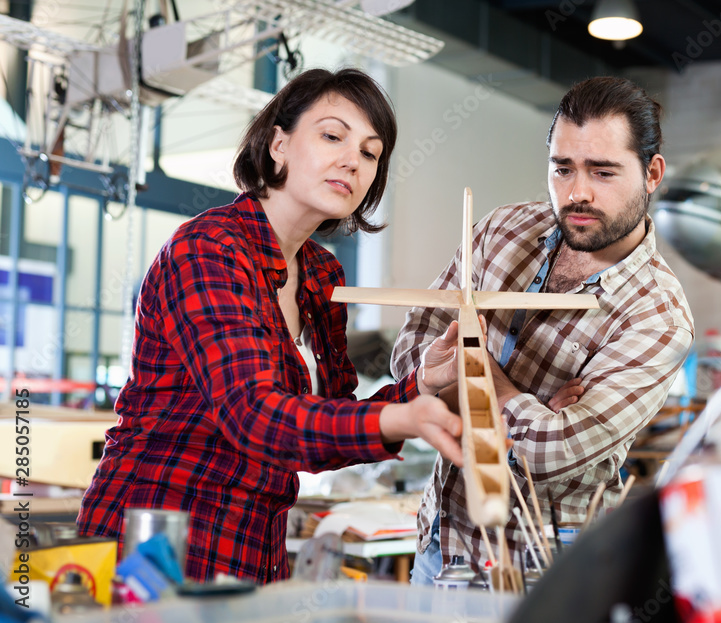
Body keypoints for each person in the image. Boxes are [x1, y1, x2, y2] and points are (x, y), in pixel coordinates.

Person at [77, 68, 465, 584]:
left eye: (370, 153)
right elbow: (253, 414)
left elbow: (325, 424)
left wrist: (424, 385)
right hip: (157, 544)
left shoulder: (322, 274)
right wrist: (403, 420)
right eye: (333, 136)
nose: (353, 160)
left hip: (254, 550)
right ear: (279, 145)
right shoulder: (208, 249)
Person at [391, 76, 695, 583]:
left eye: (603, 172)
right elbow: (410, 354)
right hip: (441, 542)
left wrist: (475, 374)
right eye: (562, 168)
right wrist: (527, 406)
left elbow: (549, 454)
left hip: (543, 571)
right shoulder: (500, 230)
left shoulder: (658, 317)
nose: (578, 192)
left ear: (652, 174)